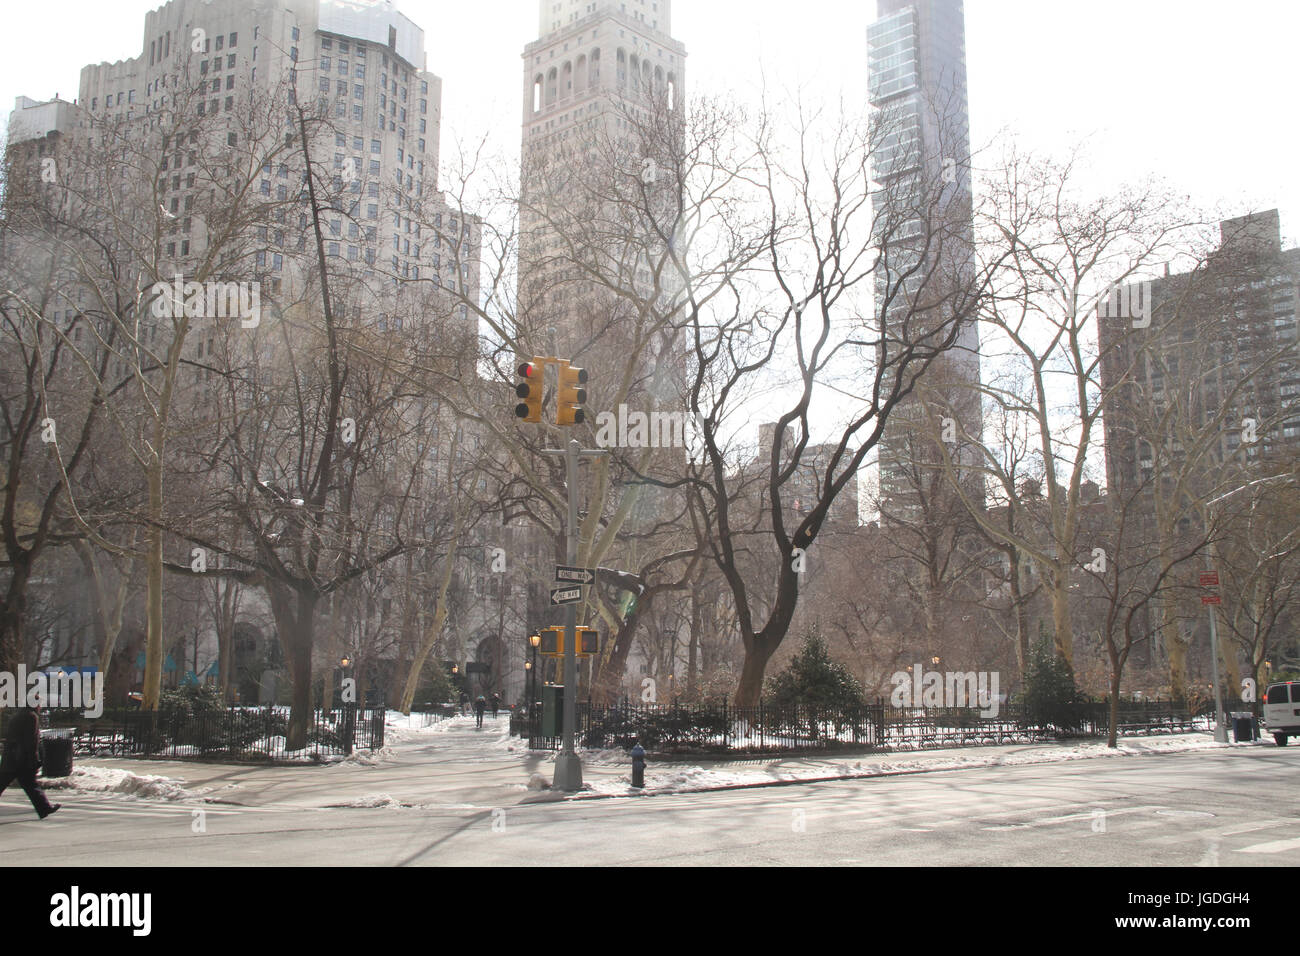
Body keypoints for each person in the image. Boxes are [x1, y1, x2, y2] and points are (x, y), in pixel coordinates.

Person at [0, 706, 61, 820]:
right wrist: (34, 759)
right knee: (31, 785)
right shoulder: (31, 717)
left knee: (26, 784)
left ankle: (45, 808)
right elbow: (31, 740)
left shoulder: (17, 715)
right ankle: (44, 808)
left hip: (11, 757)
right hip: (22, 759)